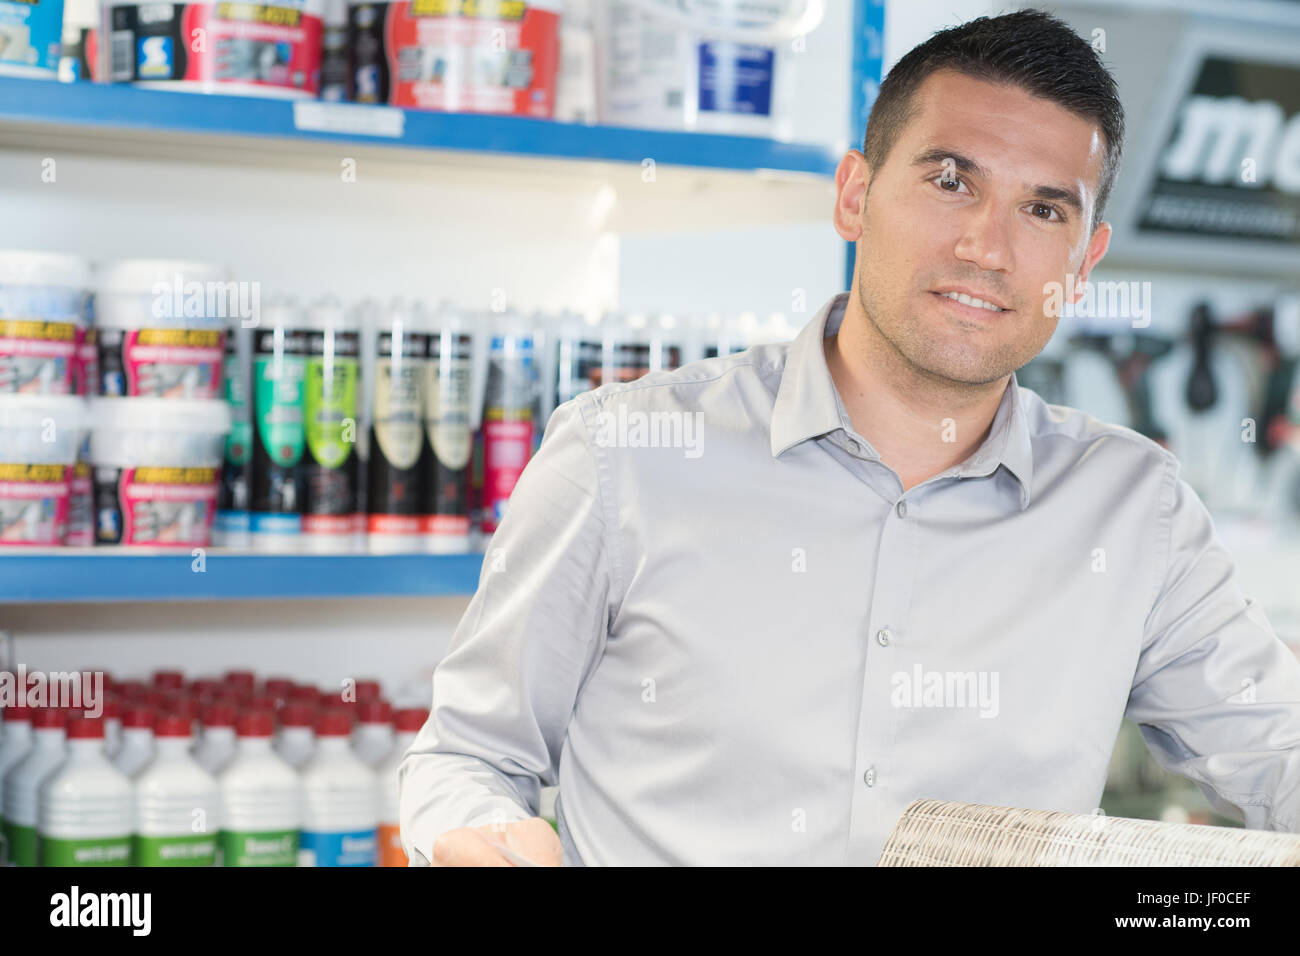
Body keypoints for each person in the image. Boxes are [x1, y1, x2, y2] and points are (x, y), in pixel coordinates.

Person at [398, 9, 1300, 866]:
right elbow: (468, 755)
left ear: (1086, 259)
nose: (988, 248)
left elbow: (1281, 753)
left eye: (1043, 211)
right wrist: (480, 835)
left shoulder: (1137, 511)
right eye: (952, 182)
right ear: (856, 195)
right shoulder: (625, 455)